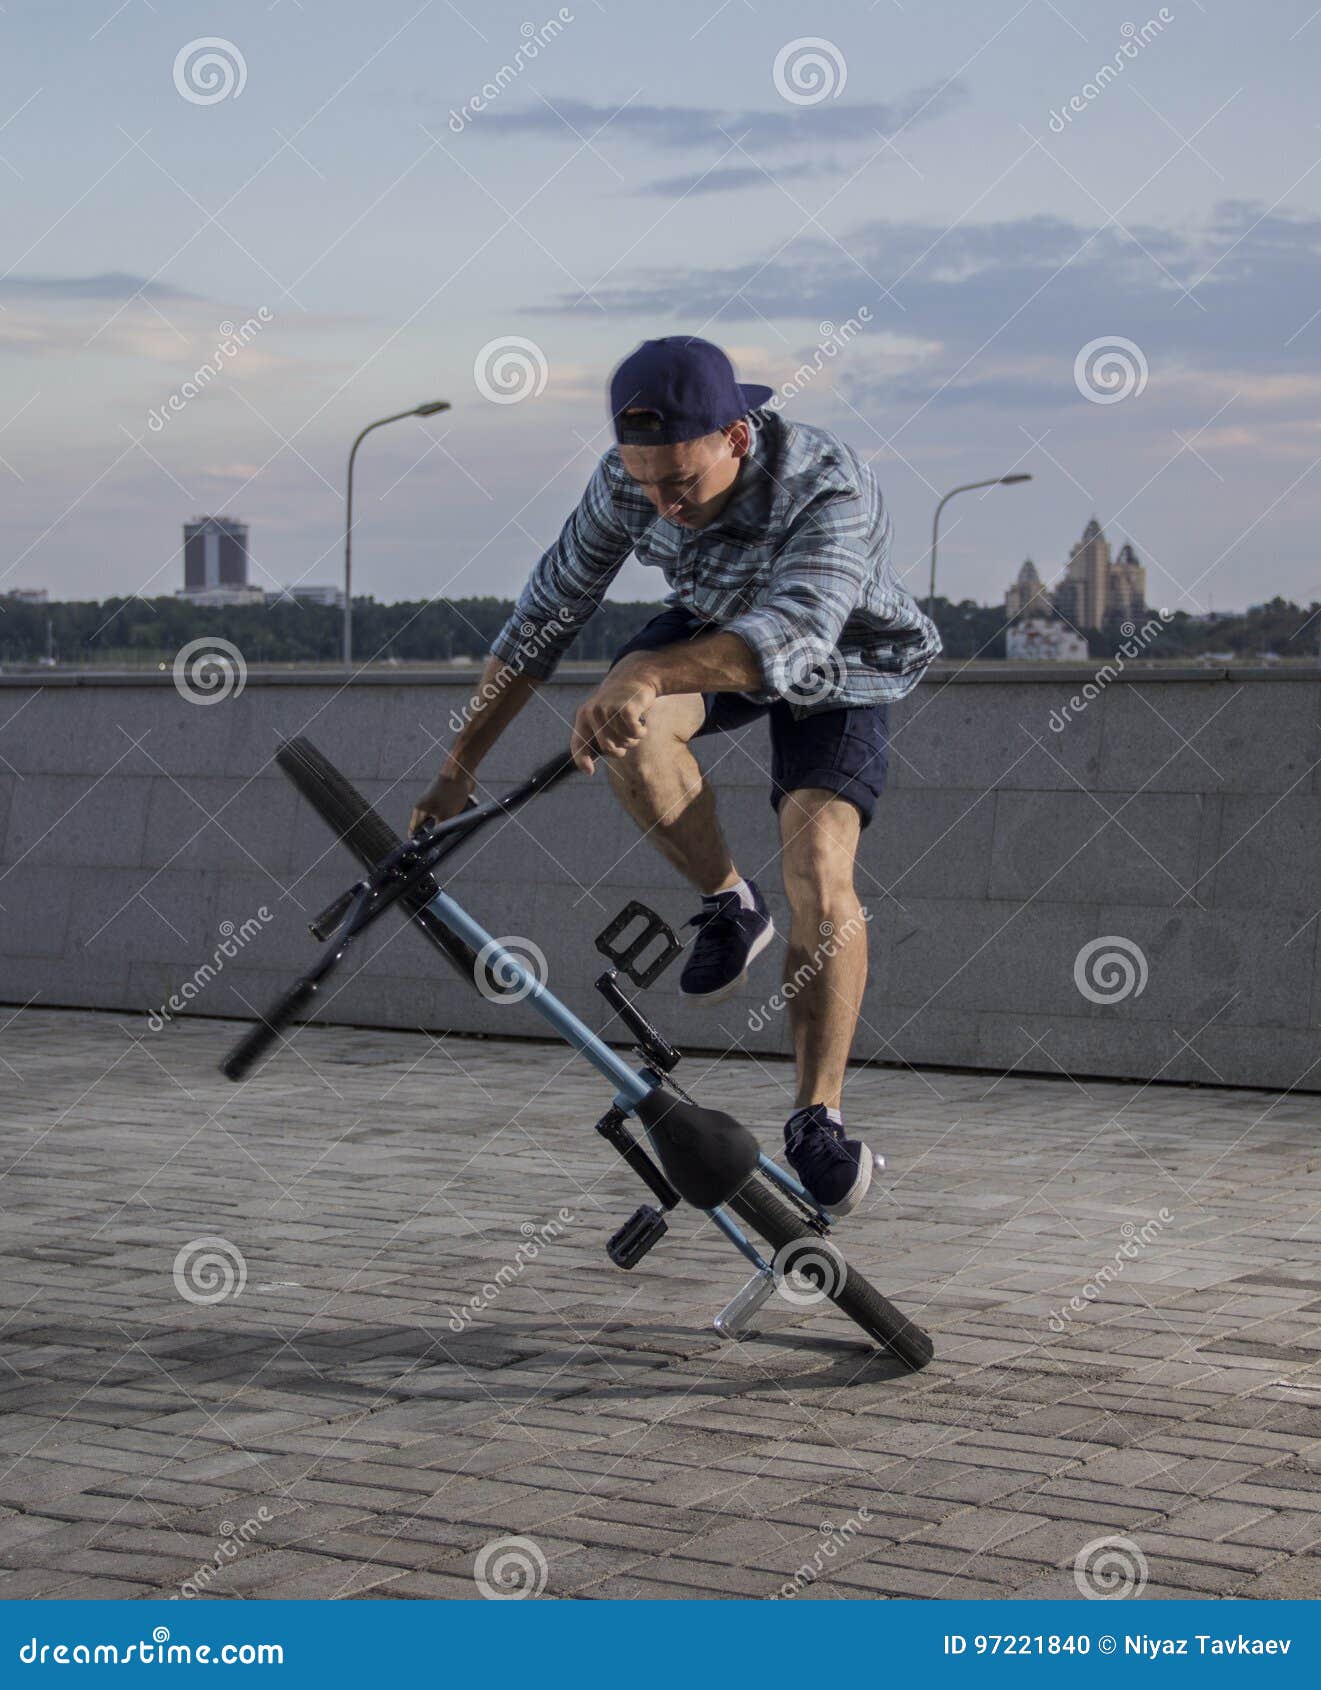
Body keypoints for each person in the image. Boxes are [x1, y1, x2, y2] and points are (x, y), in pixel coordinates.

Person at [411, 336, 940, 1215]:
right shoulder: (632, 479)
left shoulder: (828, 484)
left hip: (840, 661)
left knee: (817, 871)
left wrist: (648, 671)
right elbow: (545, 613)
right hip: (711, 630)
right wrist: (458, 769)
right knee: (629, 729)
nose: (663, 505)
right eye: (645, 483)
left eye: (681, 486)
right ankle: (729, 901)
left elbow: (798, 638)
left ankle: (817, 1117)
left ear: (736, 436)